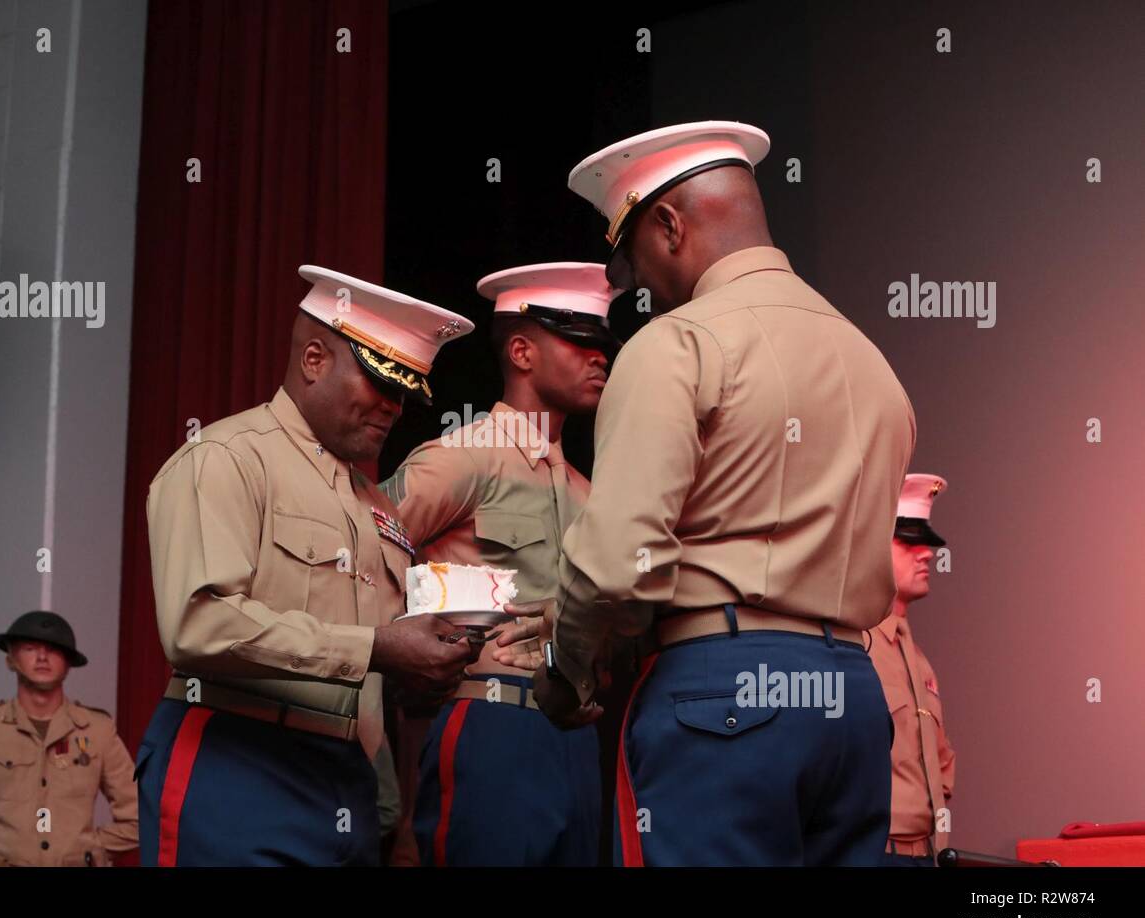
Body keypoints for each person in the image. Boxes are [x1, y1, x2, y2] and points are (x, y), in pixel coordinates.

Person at [510, 120, 916, 865]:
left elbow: (615, 565)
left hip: (723, 692)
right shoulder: (873, 361)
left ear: (668, 225)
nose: (645, 293)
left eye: (636, 265)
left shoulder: (679, 343)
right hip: (853, 696)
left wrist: (568, 670)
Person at [138, 265, 481, 865]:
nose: (393, 407)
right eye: (379, 382)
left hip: (347, 778)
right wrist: (376, 649)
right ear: (315, 361)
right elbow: (197, 627)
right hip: (235, 757)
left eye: (404, 392)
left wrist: (432, 660)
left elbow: (389, 654)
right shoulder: (225, 458)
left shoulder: (379, 507)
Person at [381, 263, 621, 865]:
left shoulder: (588, 493)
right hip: (490, 722)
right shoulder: (464, 457)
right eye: (580, 342)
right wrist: (449, 622)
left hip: (575, 735)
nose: (600, 359)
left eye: (604, 345)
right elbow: (360, 554)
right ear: (521, 351)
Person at [0, 611, 138, 866]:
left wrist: (89, 848)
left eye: (53, 649)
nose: (42, 657)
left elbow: (139, 817)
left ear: (68, 662)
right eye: (30, 648)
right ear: (11, 658)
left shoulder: (96, 731)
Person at [867, 473, 957, 867]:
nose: (927, 554)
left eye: (928, 545)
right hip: (875, 855)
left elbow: (940, 761)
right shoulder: (854, 648)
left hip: (928, 856)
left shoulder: (917, 659)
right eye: (908, 542)